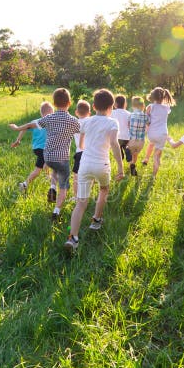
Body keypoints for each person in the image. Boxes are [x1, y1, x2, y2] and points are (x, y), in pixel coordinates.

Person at [64, 89, 124, 252]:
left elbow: (81, 141)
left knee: (81, 202)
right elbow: (114, 144)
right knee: (104, 190)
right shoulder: (112, 123)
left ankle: (73, 238)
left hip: (84, 165)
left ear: (94, 106)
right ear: (111, 107)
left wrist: (83, 146)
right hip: (102, 165)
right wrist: (120, 167)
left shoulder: (87, 121)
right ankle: (96, 220)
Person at [9, 88, 80, 221]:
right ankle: (56, 211)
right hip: (62, 158)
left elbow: (30, 125)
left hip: (48, 157)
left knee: (54, 168)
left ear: (54, 103)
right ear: (69, 103)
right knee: (63, 187)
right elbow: (83, 130)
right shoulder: (73, 121)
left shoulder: (48, 118)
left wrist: (17, 128)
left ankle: (52, 187)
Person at [10, 101, 57, 197]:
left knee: (43, 164)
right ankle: (26, 184)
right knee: (41, 167)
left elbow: (24, 128)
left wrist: (18, 140)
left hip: (37, 149)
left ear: (41, 113)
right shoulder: (50, 122)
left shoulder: (35, 122)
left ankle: (45, 177)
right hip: (45, 149)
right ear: (51, 113)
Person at [142, 87, 176, 176]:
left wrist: (146, 129)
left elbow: (146, 119)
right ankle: (153, 176)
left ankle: (146, 159)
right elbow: (164, 106)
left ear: (152, 96)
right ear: (164, 97)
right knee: (157, 157)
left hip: (152, 134)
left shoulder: (150, 107)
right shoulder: (166, 107)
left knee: (151, 143)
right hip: (162, 134)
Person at [71, 99, 91, 199]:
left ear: (76, 112)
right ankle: (88, 194)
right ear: (89, 113)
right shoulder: (91, 121)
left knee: (76, 175)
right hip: (91, 152)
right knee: (90, 174)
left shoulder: (74, 123)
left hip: (79, 152)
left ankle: (76, 196)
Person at [126, 96, 149, 176]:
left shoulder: (131, 115)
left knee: (129, 151)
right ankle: (133, 164)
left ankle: (131, 164)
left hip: (131, 140)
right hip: (141, 141)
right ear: (143, 106)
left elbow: (128, 126)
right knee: (135, 154)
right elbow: (148, 124)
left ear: (133, 106)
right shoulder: (145, 116)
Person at [111, 94, 132, 165]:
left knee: (118, 151)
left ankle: (121, 160)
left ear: (115, 104)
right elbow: (130, 126)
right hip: (126, 136)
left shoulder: (112, 113)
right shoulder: (129, 114)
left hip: (117, 137)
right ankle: (130, 160)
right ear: (125, 104)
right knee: (126, 148)